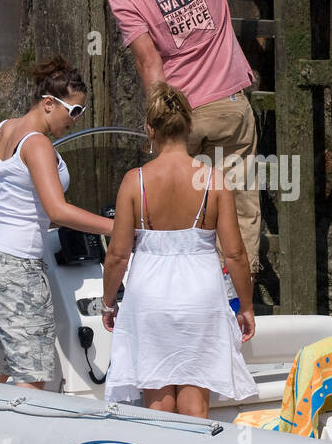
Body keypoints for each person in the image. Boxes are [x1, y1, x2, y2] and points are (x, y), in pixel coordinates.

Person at [106, 0, 272, 277]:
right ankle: (238, 286)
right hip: (231, 107)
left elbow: (149, 62)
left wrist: (158, 120)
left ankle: (184, 281)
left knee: (180, 204)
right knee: (242, 203)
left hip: (182, 117)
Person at [0, 57, 113, 388]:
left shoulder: (0, 130)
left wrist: (7, 186)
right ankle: (23, 440)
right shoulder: (37, 143)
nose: (76, 121)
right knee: (34, 374)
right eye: (75, 111)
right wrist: (117, 227)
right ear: (49, 104)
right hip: (16, 266)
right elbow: (58, 212)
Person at [100, 83, 257, 418]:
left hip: (149, 294)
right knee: (195, 396)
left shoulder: (134, 180)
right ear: (190, 127)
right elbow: (235, 254)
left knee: (156, 399)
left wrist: (108, 302)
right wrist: (246, 305)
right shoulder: (213, 180)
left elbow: (117, 256)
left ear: (149, 130)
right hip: (200, 294)